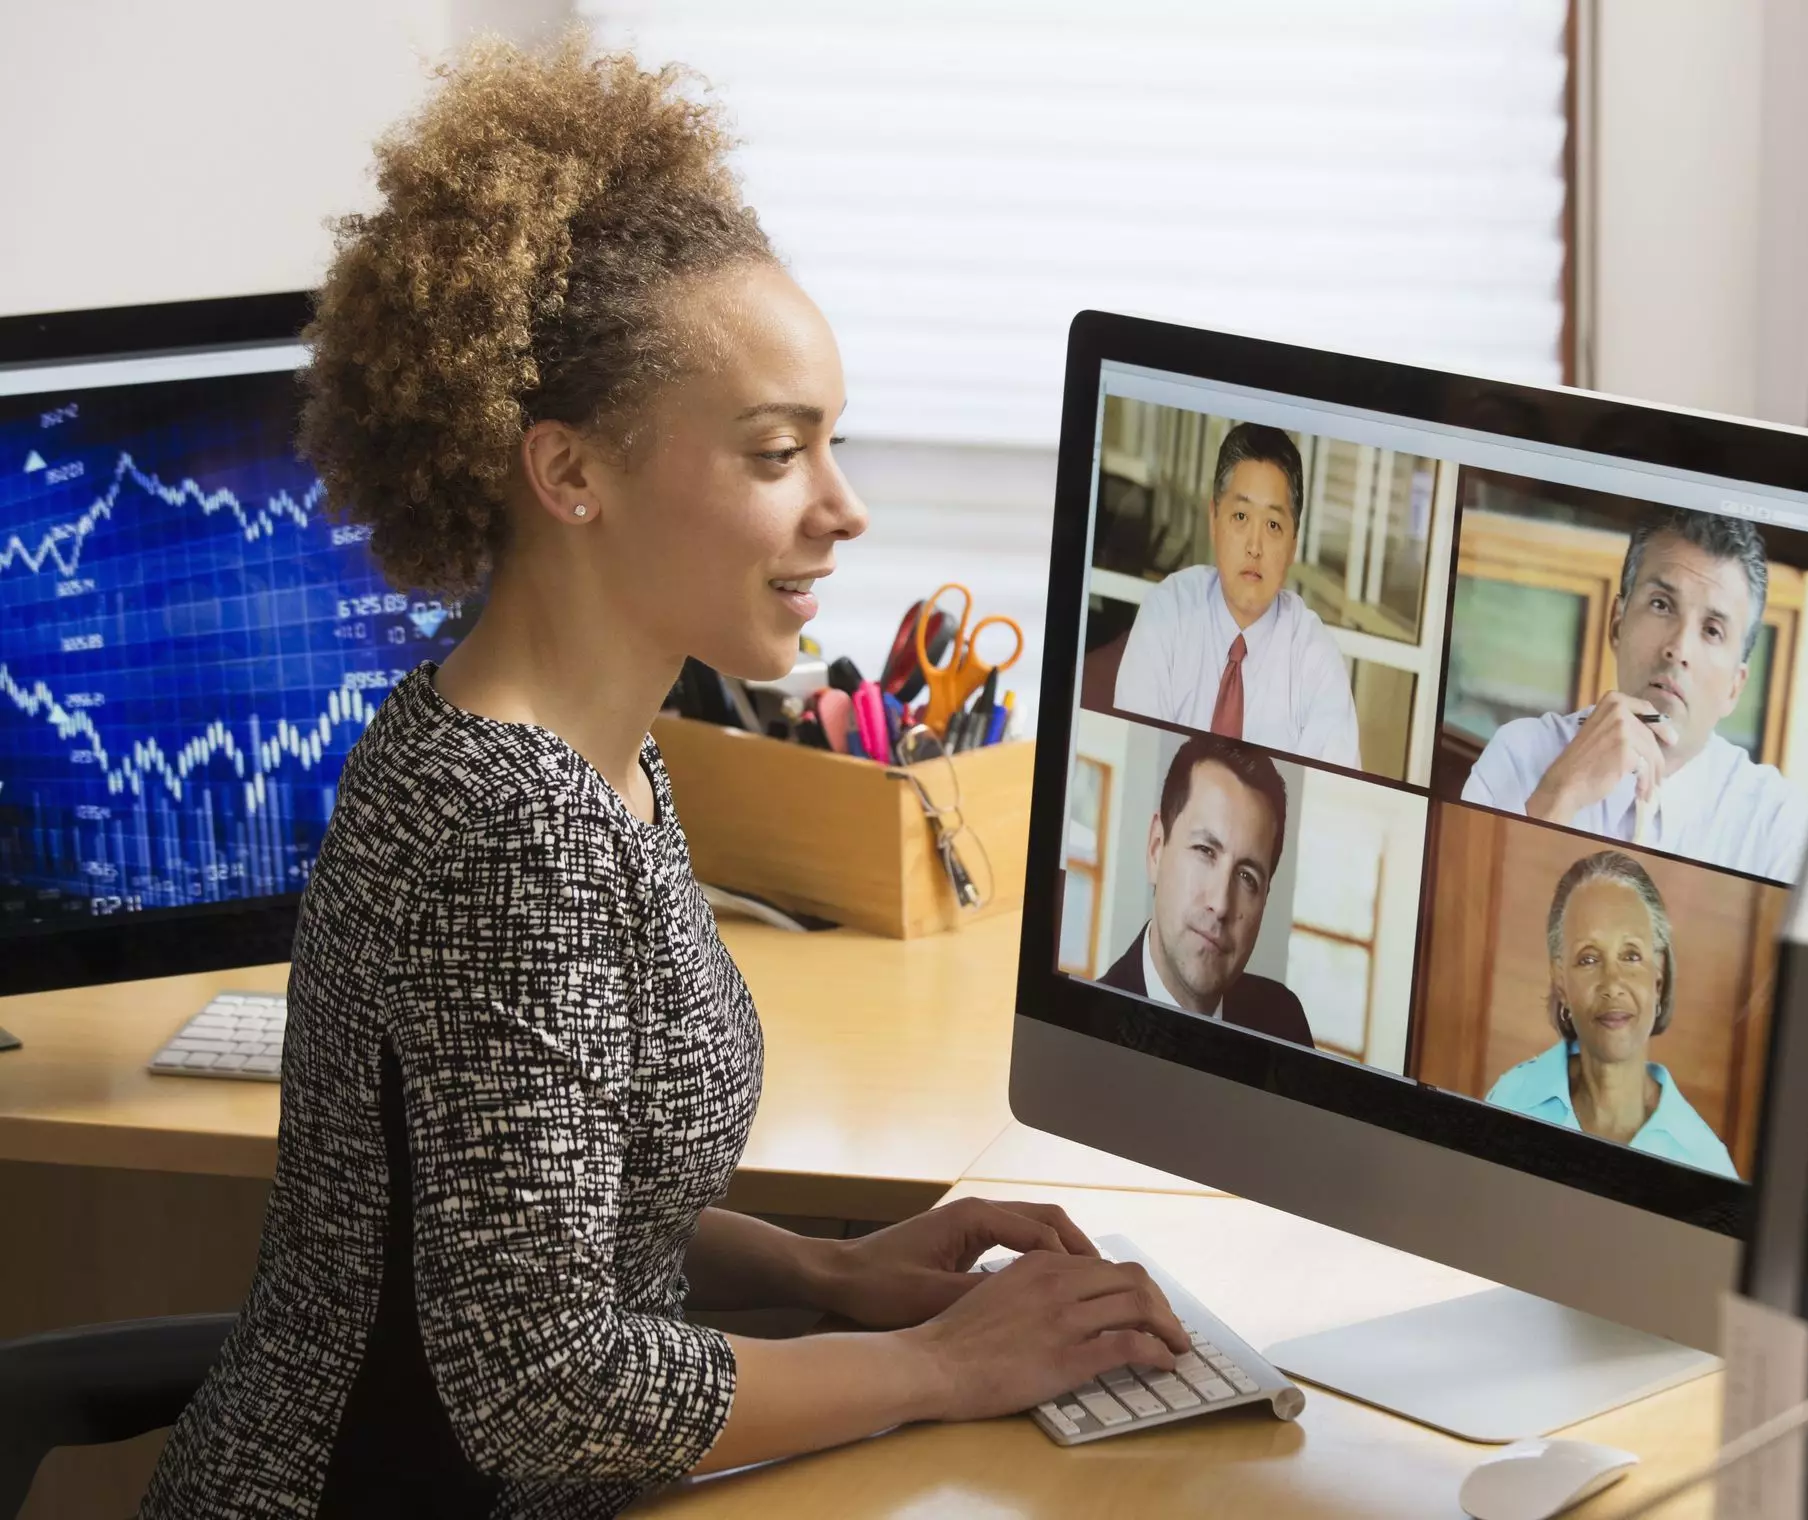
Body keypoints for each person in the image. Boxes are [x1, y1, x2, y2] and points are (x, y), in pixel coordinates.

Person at [141, 38, 1187, 1519]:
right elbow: (543, 1380)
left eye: (833, 442)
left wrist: (833, 1273)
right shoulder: (517, 834)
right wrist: (946, 1368)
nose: (844, 508)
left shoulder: (581, 747)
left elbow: (552, 1217)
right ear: (571, 475)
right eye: (778, 454)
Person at [1461, 507, 1808, 883]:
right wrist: (1561, 794)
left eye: (1712, 630)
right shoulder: (1519, 755)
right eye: (1661, 605)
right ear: (1617, 624)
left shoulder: (1777, 824)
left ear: (1734, 687)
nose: (1678, 648)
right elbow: (1461, 918)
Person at [1112, 423, 1360, 768]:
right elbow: (1133, 761)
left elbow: (1331, 801)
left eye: (1273, 525)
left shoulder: (1315, 658)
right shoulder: (1169, 611)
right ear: (1214, 519)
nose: (1254, 547)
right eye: (1240, 516)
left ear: (1293, 544)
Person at [1486, 851, 1737, 1178]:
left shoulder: (1706, 1162)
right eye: (1589, 959)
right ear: (1561, 982)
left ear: (1658, 977)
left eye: (1631, 955)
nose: (1613, 984)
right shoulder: (1510, 1098)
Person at [1098, 734, 1312, 1045]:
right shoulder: (1085, 1024)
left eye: (1247, 876)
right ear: (1156, 848)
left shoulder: (1284, 1022)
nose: (1221, 903)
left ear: (1265, 899)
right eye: (1204, 851)